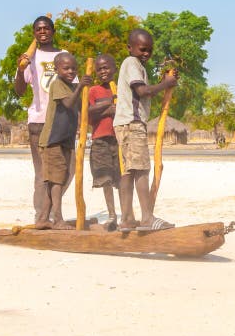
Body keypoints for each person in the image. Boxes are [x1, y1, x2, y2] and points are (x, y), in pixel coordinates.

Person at [113, 28, 178, 232]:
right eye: (142, 49)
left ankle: (126, 219)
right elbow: (142, 91)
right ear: (130, 48)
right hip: (132, 124)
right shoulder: (132, 63)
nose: (146, 54)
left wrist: (164, 82)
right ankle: (147, 218)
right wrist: (165, 83)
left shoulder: (136, 65)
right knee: (141, 169)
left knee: (128, 172)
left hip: (125, 124)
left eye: (149, 50)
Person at [14, 15, 72, 223]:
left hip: (62, 120)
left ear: (53, 32)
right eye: (38, 29)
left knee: (67, 169)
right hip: (39, 121)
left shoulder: (64, 55)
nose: (43, 32)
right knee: (42, 173)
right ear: (34, 34)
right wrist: (21, 71)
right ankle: (42, 216)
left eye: (46, 28)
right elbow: (20, 91)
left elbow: (72, 87)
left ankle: (51, 211)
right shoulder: (29, 58)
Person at [35, 53, 92, 229]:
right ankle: (57, 219)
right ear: (57, 69)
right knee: (56, 181)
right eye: (66, 68)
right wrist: (80, 86)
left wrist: (84, 87)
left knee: (58, 179)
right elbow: (68, 104)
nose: (71, 71)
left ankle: (44, 218)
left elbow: (83, 107)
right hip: (53, 141)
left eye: (74, 68)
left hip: (65, 141)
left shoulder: (72, 86)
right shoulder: (57, 84)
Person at [88, 54, 130, 231]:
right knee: (105, 179)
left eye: (106, 68)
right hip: (100, 139)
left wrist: (117, 106)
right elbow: (88, 114)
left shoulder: (121, 89)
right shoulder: (93, 91)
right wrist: (108, 109)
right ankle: (112, 214)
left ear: (114, 68)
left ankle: (126, 216)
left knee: (121, 180)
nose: (103, 71)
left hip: (118, 139)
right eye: (99, 69)